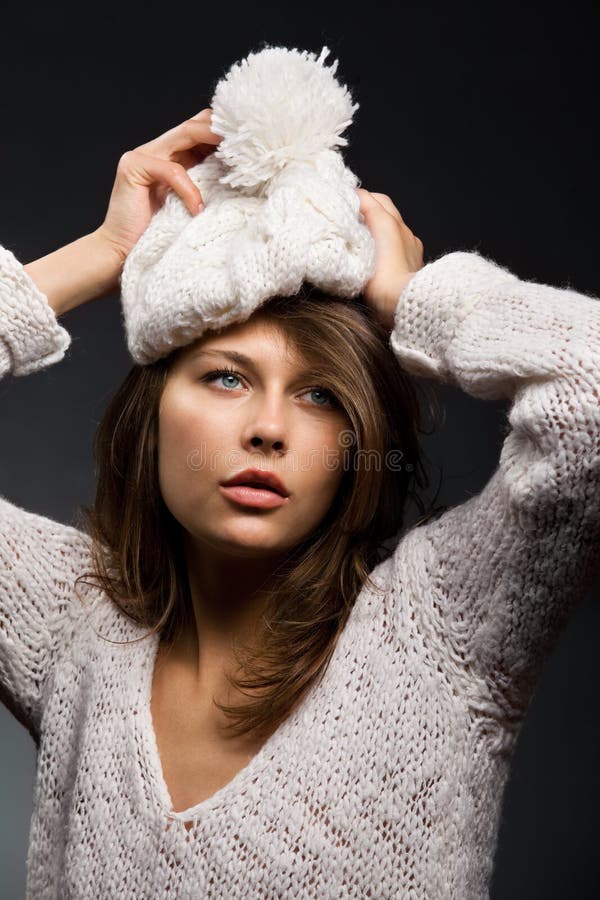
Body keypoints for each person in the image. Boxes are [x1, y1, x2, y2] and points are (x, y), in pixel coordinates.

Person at [1, 108, 598, 900]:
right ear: (151, 417)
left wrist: (418, 298)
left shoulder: (441, 627)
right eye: (225, 377)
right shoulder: (74, 622)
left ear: (356, 440)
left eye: (318, 395)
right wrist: (101, 253)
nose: (270, 429)